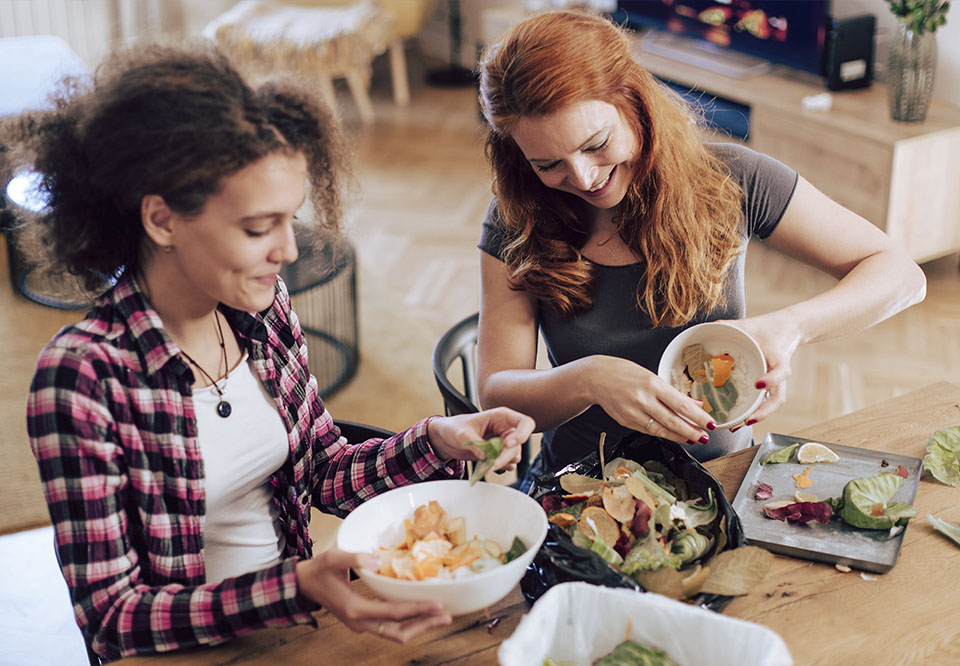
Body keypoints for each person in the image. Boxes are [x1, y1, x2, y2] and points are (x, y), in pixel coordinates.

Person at [7, 42, 534, 662]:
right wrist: (293, 587)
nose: (288, 248)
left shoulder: (262, 312)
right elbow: (113, 617)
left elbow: (324, 470)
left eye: (290, 219)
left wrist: (437, 442)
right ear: (162, 219)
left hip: (296, 629)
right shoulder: (83, 379)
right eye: (259, 228)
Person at [474, 10, 926, 488]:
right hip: (579, 487)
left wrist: (788, 327)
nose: (584, 179)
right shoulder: (516, 215)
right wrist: (591, 379)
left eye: (597, 143)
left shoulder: (734, 178)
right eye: (549, 164)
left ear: (636, 102)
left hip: (721, 480)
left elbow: (900, 275)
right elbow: (497, 395)